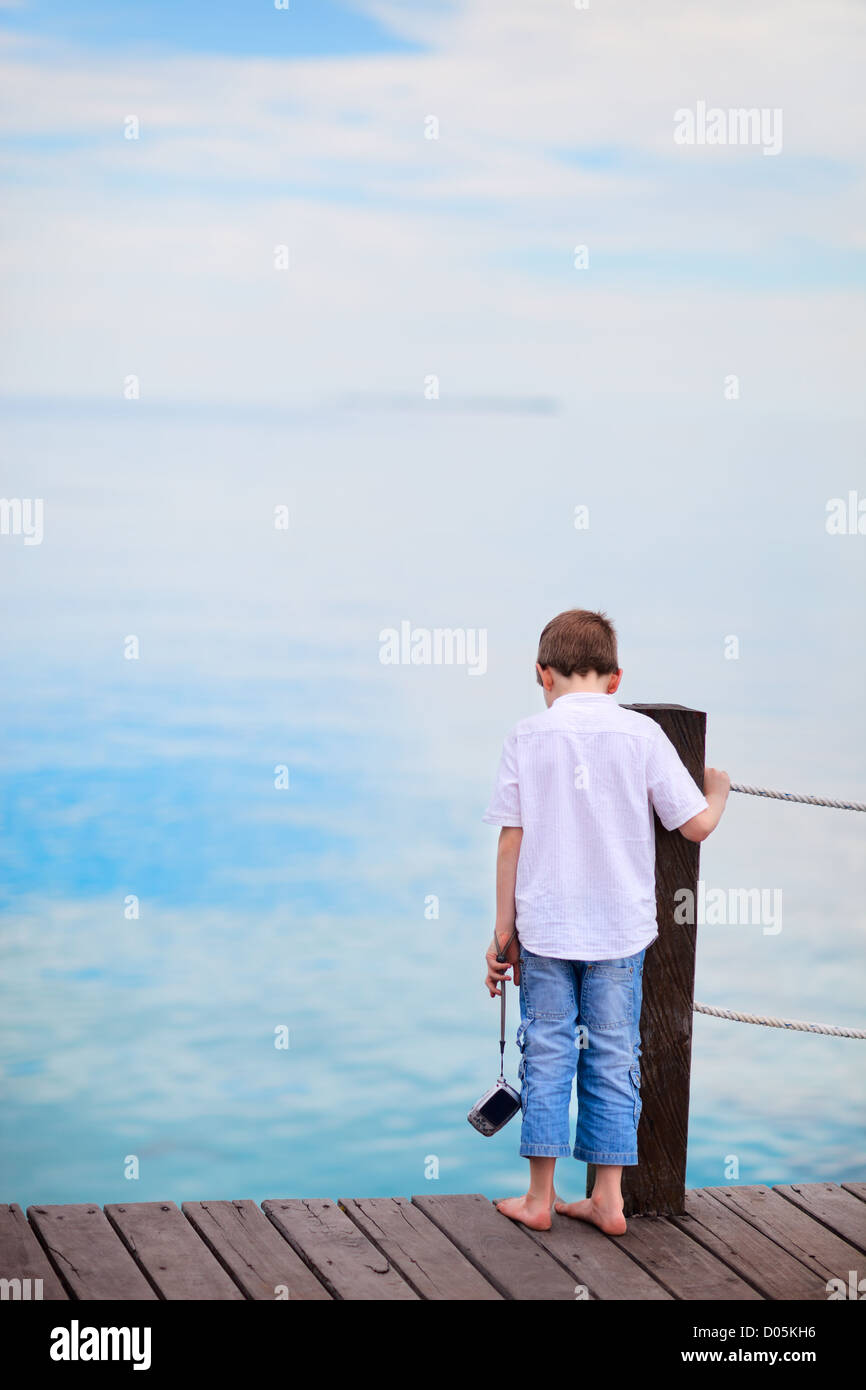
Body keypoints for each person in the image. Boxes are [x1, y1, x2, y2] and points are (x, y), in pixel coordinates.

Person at [482, 608, 730, 1234]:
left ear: (542, 674)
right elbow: (694, 825)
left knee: (546, 1052)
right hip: (620, 933)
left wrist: (501, 933)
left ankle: (540, 1200)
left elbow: (510, 843)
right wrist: (719, 789)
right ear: (616, 680)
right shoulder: (643, 736)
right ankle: (610, 1201)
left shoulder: (525, 736)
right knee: (616, 1055)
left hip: (543, 930)